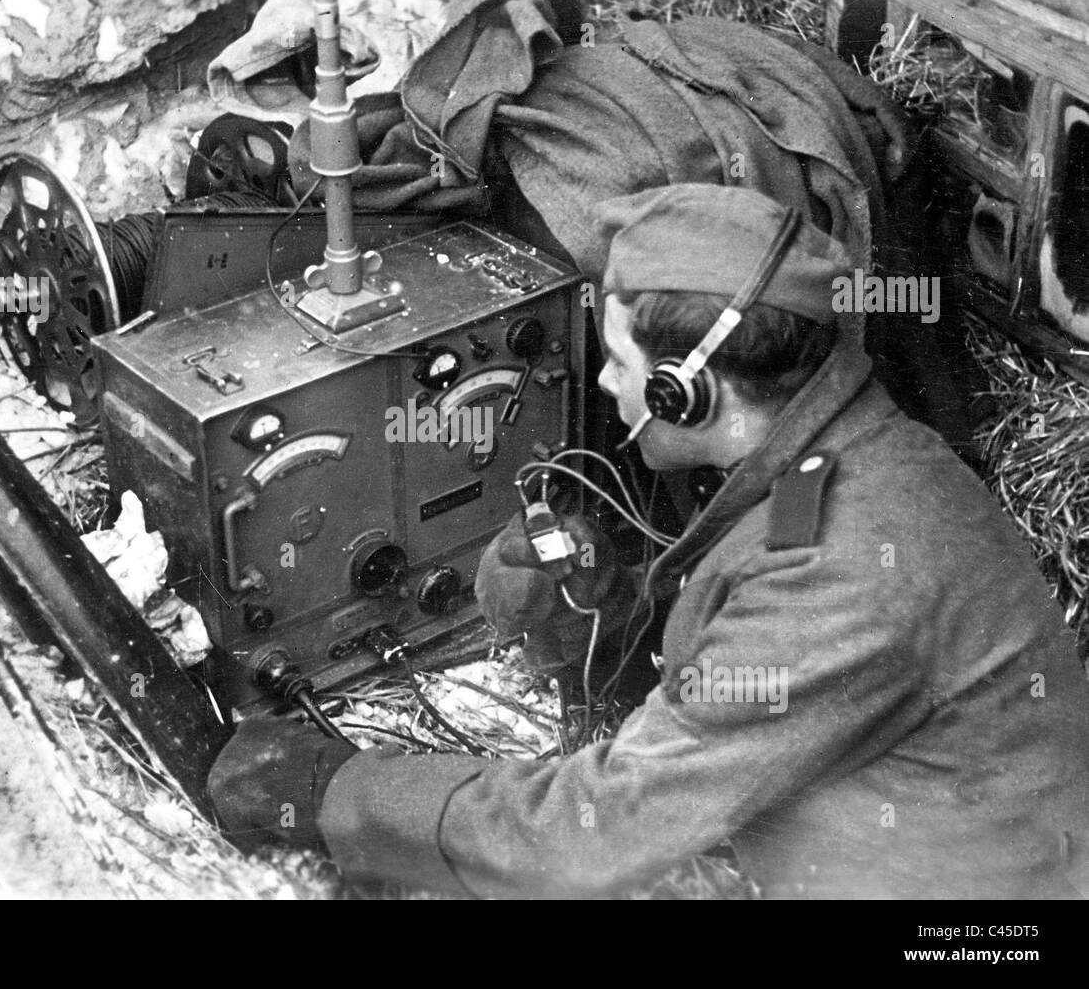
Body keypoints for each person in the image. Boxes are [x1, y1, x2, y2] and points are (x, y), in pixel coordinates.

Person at [207, 184, 1089, 899]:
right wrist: (611, 614)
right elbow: (762, 673)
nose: (599, 380)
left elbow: (597, 838)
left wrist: (339, 792)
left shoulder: (845, 571)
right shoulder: (848, 459)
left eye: (618, 363)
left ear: (685, 393)